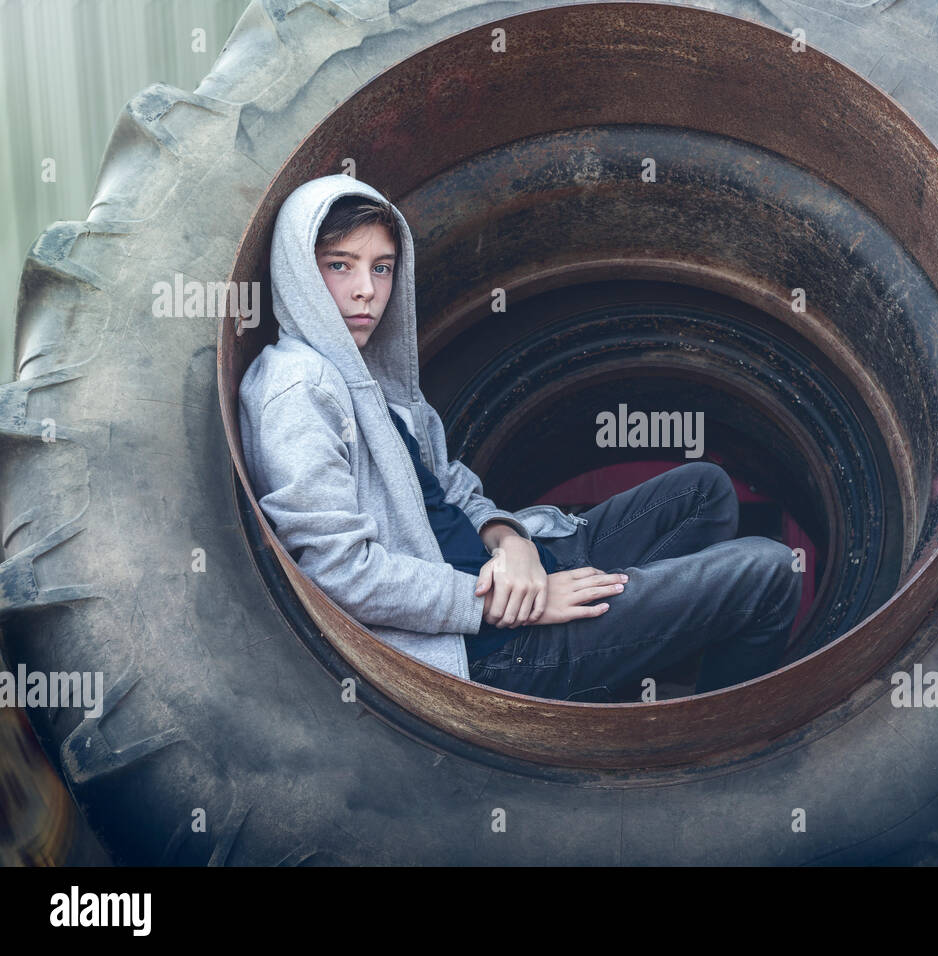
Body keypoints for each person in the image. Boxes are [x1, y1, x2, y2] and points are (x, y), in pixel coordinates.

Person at [239, 174, 801, 701]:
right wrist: (511, 605)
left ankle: (631, 650)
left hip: (509, 577)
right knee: (769, 570)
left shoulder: (377, 386)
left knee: (703, 490)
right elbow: (335, 571)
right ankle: (698, 740)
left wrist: (512, 544)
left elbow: (453, 490)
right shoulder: (300, 388)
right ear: (299, 274)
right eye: (341, 265)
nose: (366, 291)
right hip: (487, 648)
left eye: (382, 268)